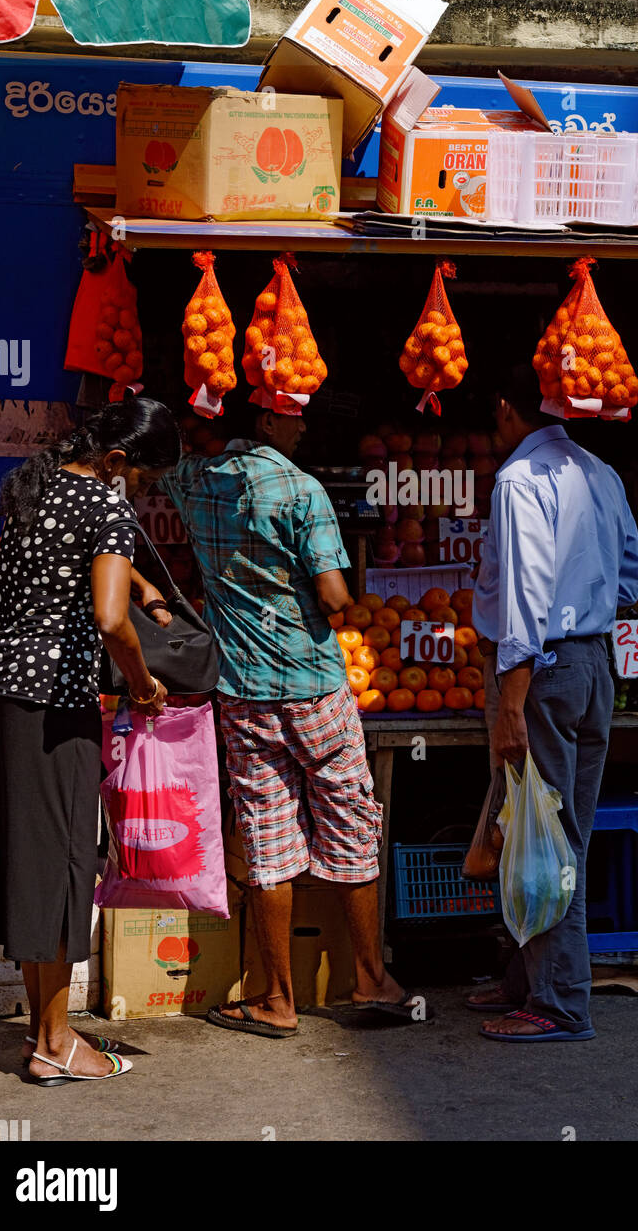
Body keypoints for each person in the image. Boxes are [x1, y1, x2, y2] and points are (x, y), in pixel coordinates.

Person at [159, 400, 420, 1037]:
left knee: (267, 833)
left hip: (243, 692)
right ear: (267, 423)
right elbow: (333, 597)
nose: (304, 425)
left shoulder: (195, 481)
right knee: (351, 822)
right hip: (315, 689)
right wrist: (329, 592)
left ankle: (276, 998)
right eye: (295, 414)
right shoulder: (303, 491)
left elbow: (161, 468)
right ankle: (369, 977)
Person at [0, 397, 181, 1085]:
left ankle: (45, 1031)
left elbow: (74, 564)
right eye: (143, 479)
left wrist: (145, 584)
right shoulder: (107, 507)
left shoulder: (29, 483)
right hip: (54, 705)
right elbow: (109, 617)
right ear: (117, 461)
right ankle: (54, 1042)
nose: (141, 493)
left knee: (28, 864)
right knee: (62, 865)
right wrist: (143, 682)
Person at [467, 361, 638, 1043]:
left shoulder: (519, 479)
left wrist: (511, 702)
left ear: (509, 410)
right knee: (546, 830)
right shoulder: (599, 471)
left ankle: (561, 1003)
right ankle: (527, 983)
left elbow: (525, 597)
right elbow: (627, 577)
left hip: (543, 670)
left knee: (547, 838)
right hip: (594, 662)